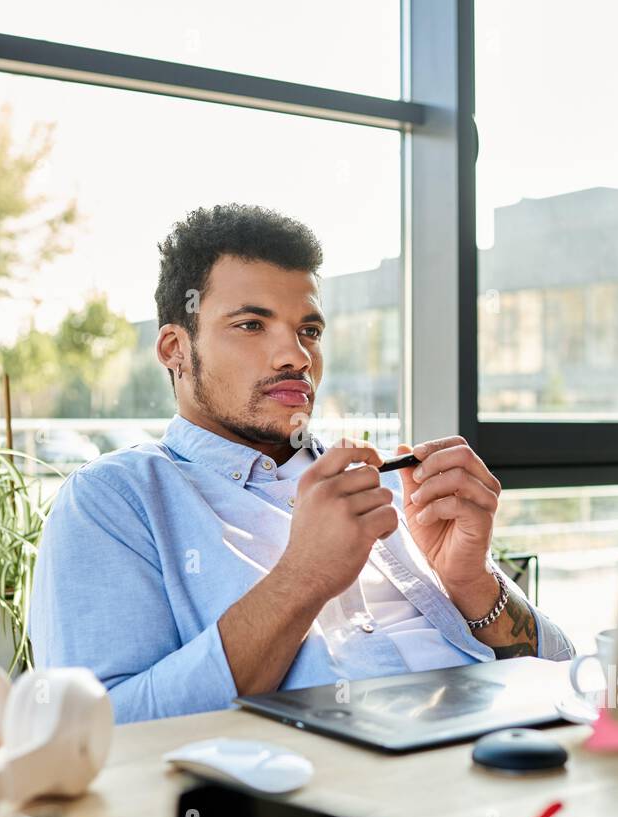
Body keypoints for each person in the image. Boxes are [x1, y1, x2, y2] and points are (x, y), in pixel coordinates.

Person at [30, 204, 574, 723]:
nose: (295, 356)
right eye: (251, 325)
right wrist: (303, 577)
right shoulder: (115, 499)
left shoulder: (384, 480)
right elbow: (102, 729)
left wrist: (471, 582)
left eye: (308, 331)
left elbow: (566, 677)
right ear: (175, 348)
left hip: (507, 754)